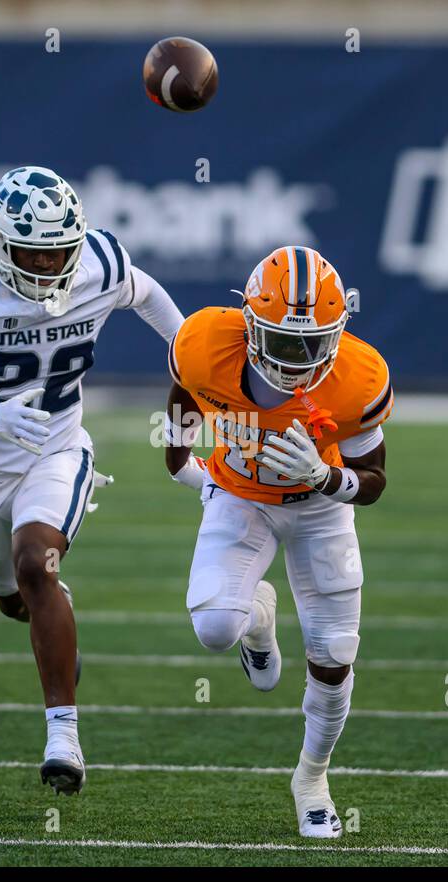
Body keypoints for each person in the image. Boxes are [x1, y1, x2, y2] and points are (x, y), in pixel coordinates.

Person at [0, 166, 185, 794]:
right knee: (12, 599)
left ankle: (64, 737)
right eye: (35, 250)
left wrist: (189, 355)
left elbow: (146, 293)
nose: (52, 264)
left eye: (62, 248)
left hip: (58, 449)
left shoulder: (99, 261)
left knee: (36, 564)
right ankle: (51, 623)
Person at [161, 246, 392, 838]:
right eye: (286, 343)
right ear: (250, 324)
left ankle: (312, 778)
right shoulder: (205, 342)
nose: (299, 359)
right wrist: (180, 462)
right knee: (215, 628)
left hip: (320, 510)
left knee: (335, 652)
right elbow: (186, 389)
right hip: (240, 497)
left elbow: (374, 482)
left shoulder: (357, 378)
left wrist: (326, 477)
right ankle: (258, 621)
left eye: (314, 343)